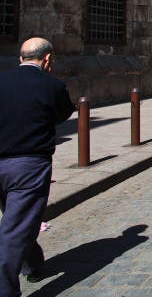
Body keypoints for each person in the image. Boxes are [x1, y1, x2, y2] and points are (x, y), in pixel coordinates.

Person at [0, 38, 74, 294]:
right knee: (15, 228)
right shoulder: (52, 85)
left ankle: (32, 264)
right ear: (48, 60)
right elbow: (63, 114)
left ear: (21, 58)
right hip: (28, 165)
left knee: (20, 221)